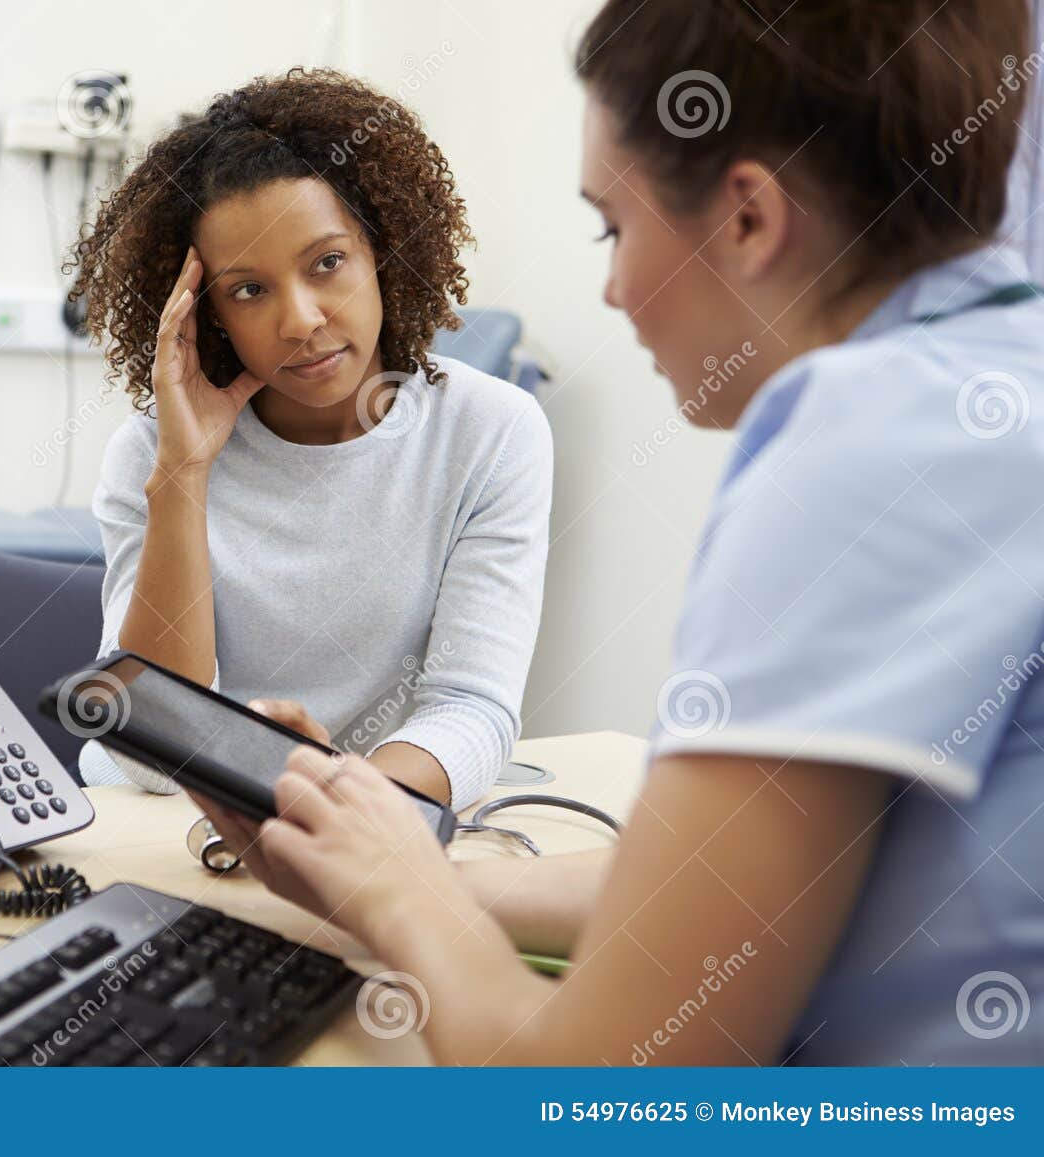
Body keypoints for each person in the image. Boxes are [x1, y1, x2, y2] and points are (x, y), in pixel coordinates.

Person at [197, 0, 1044, 1065]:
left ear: (747, 217)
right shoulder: (994, 375)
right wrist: (410, 867)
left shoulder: (867, 443)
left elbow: (592, 1099)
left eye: (613, 224)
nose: (612, 287)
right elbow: (722, 897)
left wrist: (393, 888)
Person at [66, 69, 553, 810]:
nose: (300, 320)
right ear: (205, 313)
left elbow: (470, 709)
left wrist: (332, 814)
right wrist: (183, 475)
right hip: (162, 828)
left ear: (383, 253)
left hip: (369, 818)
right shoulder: (153, 452)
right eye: (249, 290)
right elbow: (157, 759)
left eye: (327, 263)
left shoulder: (492, 433)